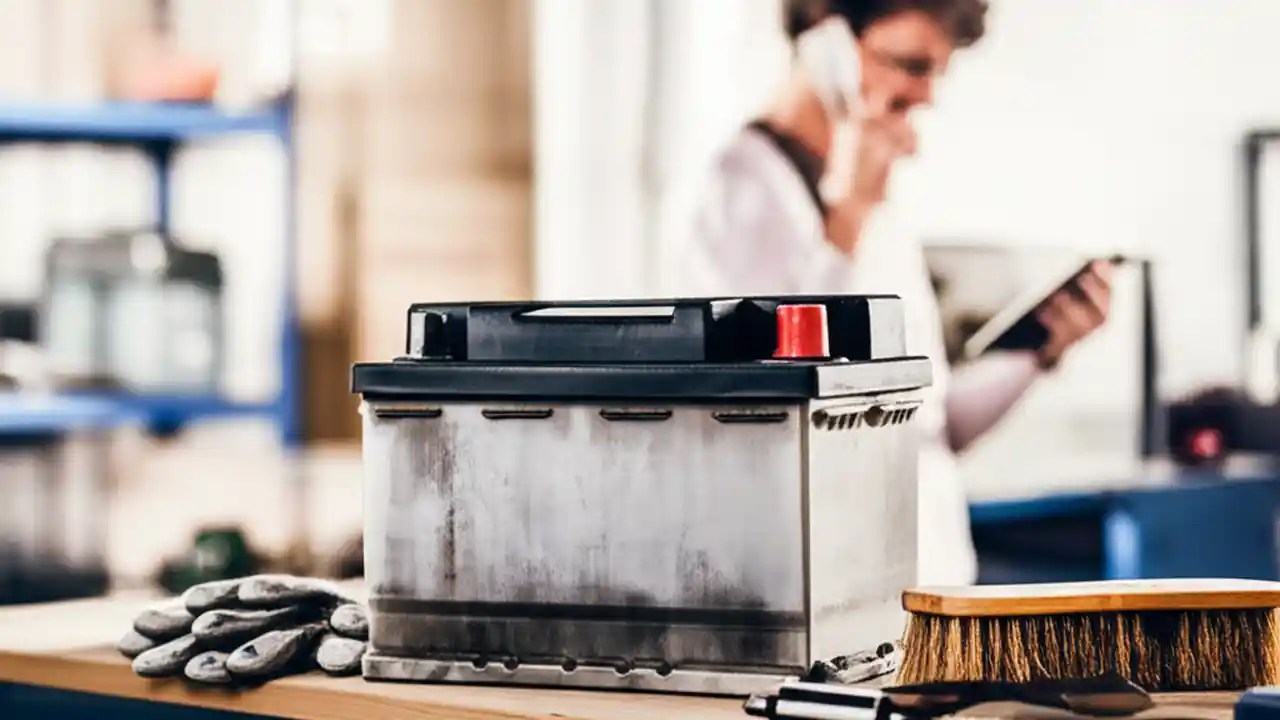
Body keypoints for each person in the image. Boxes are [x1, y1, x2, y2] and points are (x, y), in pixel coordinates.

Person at [667, 0, 1113, 585]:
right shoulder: (742, 192)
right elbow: (775, 416)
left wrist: (1040, 352)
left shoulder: (880, 209)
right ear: (824, 40)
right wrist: (846, 216)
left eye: (934, 72)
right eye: (910, 65)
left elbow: (932, 426)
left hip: (931, 604)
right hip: (836, 612)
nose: (926, 96)